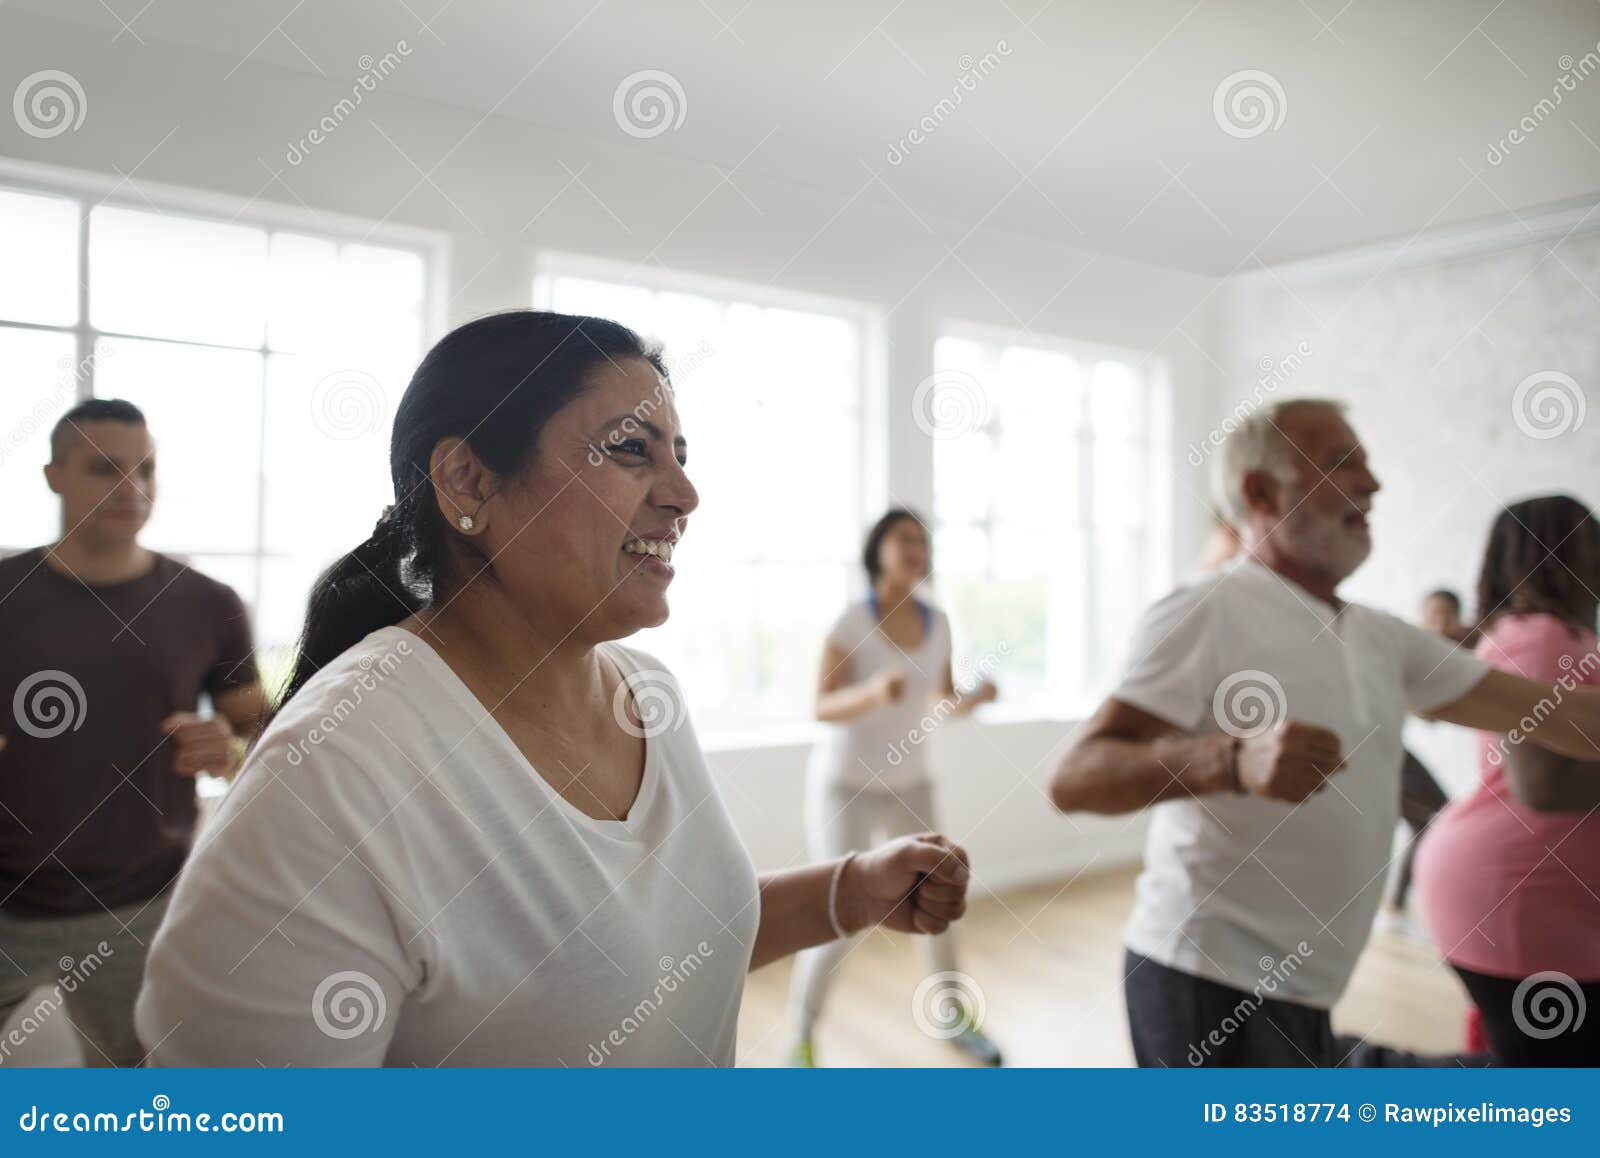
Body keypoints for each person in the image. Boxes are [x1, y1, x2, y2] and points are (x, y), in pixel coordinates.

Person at [134, 311, 972, 1066]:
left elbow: (650, 950)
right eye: (631, 449)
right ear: (467, 483)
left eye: (680, 456)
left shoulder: (646, 693)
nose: (684, 495)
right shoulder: (335, 770)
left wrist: (846, 890)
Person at [1050, 397, 1600, 1068]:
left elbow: (1563, 717)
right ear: (1260, 490)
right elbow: (1075, 778)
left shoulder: (1381, 636)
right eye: (1343, 463)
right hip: (1204, 979)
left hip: (1310, 988)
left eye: (1367, 464)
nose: (1373, 484)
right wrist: (1228, 762)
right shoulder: (1204, 610)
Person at [0, 398, 264, 1067]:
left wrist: (229, 750)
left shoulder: (209, 603)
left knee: (140, 1097)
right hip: (5, 902)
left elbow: (262, 736)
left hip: (142, 907)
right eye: (105, 469)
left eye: (146, 469)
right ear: (53, 475)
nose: (133, 489)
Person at [786, 509, 1002, 1067]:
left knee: (940, 902)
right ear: (878, 548)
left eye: (923, 542)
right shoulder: (851, 622)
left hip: (912, 784)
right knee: (834, 918)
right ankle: (801, 1041)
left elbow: (940, 699)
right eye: (905, 539)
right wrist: (874, 693)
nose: (916, 550)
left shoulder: (941, 623)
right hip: (847, 787)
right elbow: (821, 705)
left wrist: (974, 700)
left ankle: (956, 1021)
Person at [1415, 494, 1600, 1066]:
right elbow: (1541, 785)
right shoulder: (1541, 637)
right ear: (1560, 553)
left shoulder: (1551, 635)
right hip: (1517, 899)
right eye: (1589, 541)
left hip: (1541, 901)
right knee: (1556, 1089)